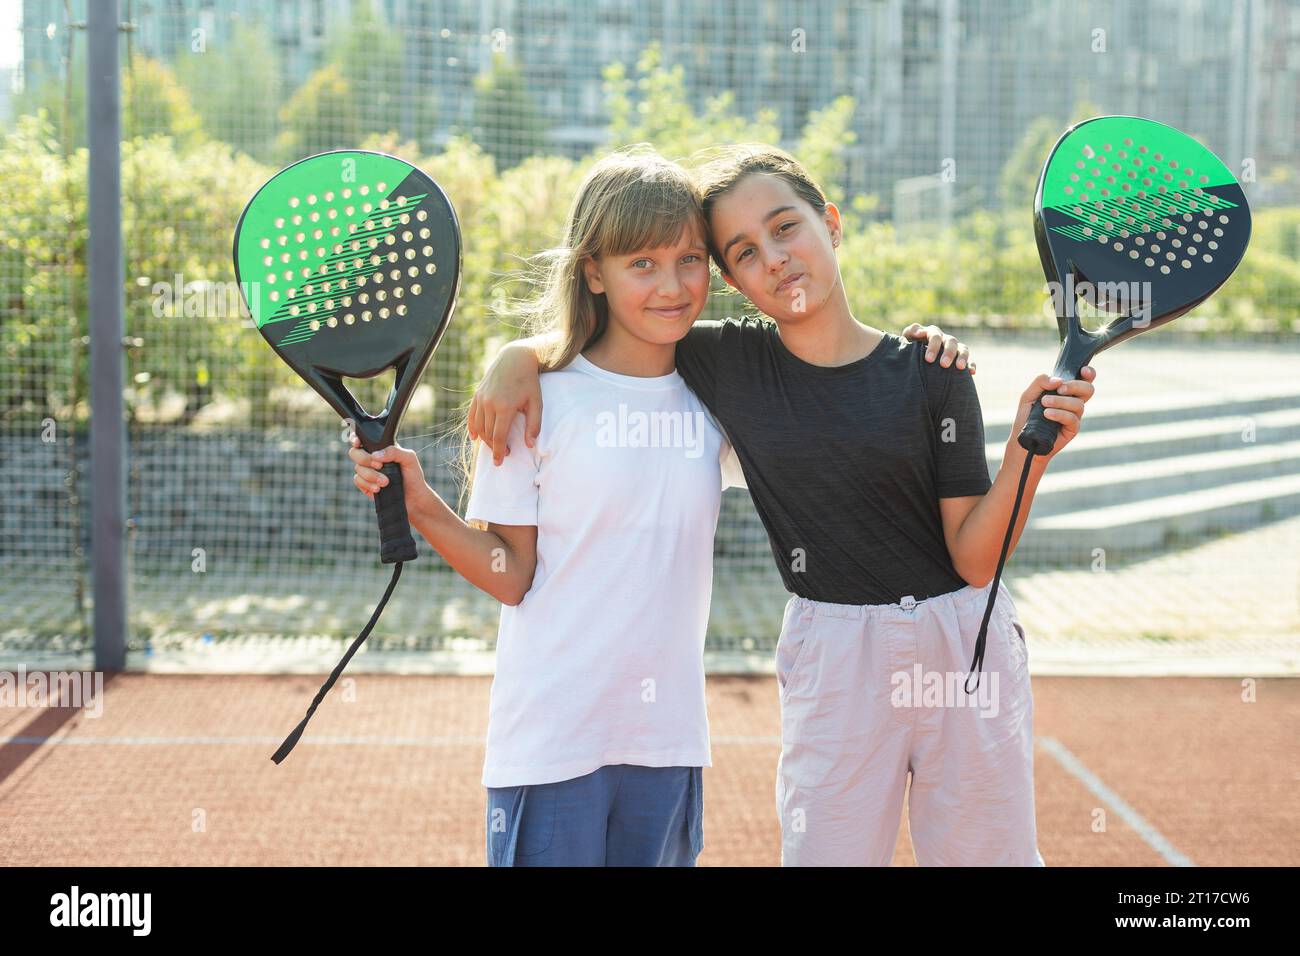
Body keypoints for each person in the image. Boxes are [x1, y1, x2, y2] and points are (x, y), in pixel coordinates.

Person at [470, 145, 1096, 866]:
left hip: (965, 646)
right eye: (743, 251)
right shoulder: (721, 362)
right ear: (732, 279)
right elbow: (615, 329)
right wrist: (517, 353)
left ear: (829, 223)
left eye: (786, 228)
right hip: (834, 653)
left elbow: (976, 558)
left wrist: (1028, 452)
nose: (775, 258)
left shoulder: (932, 372)